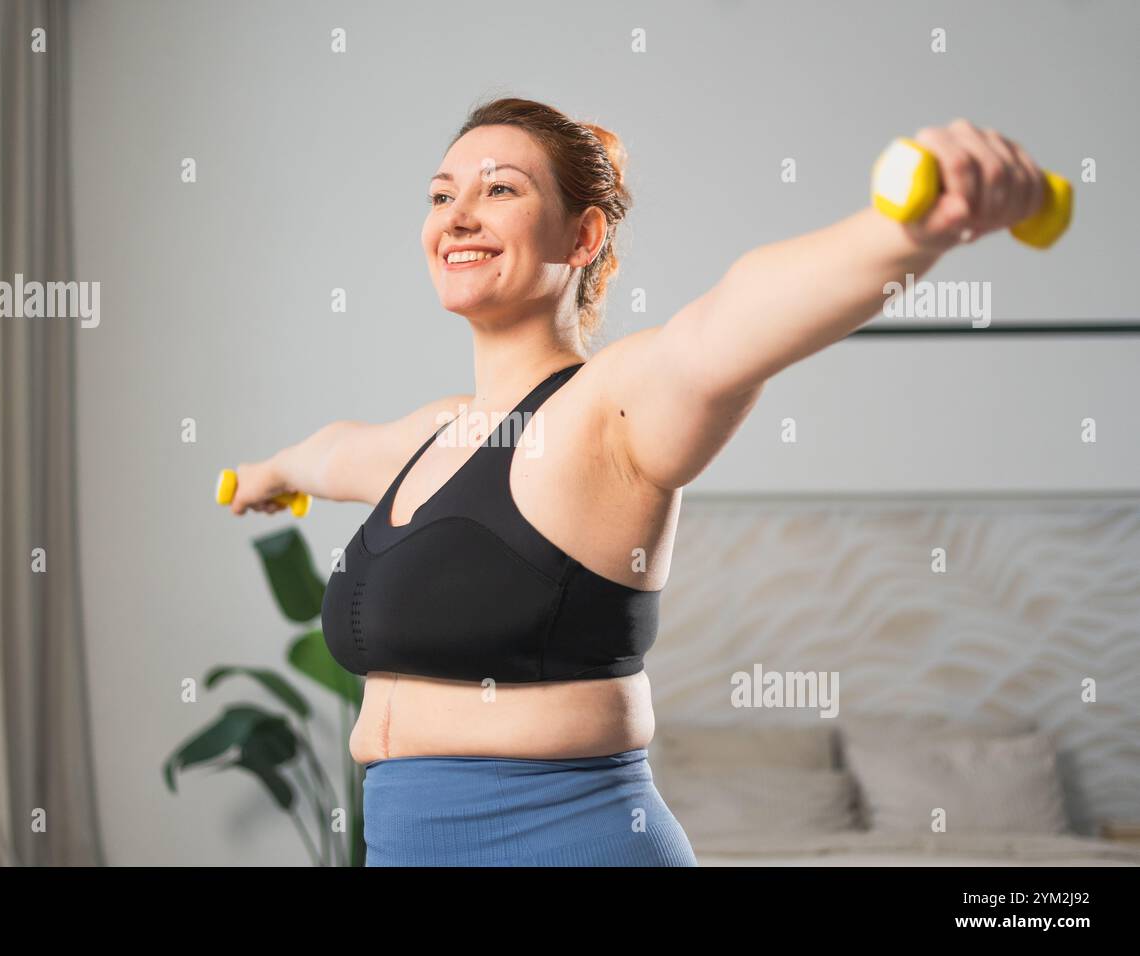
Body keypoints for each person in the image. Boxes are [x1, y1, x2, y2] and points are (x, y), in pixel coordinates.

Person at [228, 97, 1048, 866]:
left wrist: (907, 231)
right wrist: (269, 475)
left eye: (499, 189)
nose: (458, 217)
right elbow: (334, 453)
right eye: (441, 196)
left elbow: (731, 322)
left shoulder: (609, 409)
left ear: (583, 238)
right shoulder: (435, 432)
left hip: (569, 842)